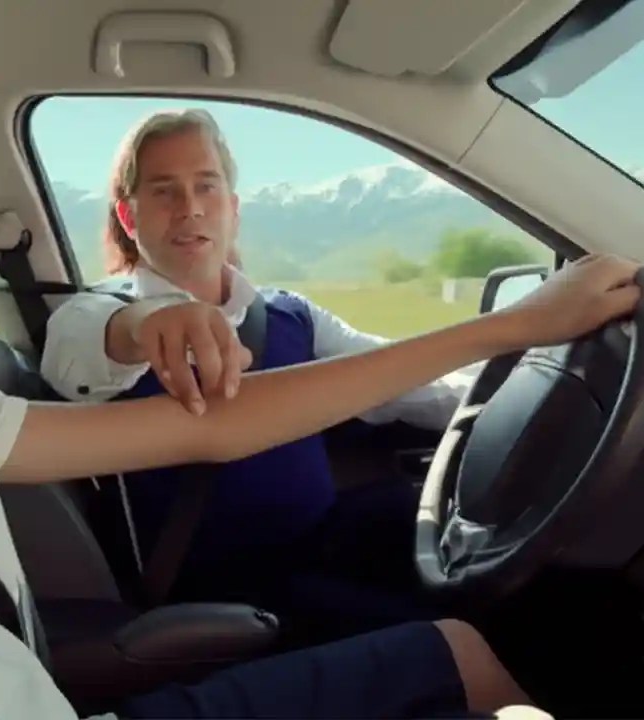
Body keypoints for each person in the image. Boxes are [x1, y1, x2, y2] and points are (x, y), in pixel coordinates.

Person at [0, 42, 640, 720]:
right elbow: (107, 340)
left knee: (461, 653)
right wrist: (152, 324)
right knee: (464, 662)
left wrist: (518, 330)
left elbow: (215, 429)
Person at [40, 108, 476, 639]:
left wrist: (512, 393)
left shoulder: (291, 314)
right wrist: (148, 326)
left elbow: (404, 383)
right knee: (447, 634)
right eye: (163, 191)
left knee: (453, 537)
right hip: (229, 590)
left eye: (206, 187)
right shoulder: (97, 316)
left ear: (232, 209)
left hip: (324, 540)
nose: (190, 208)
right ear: (129, 220)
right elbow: (75, 353)